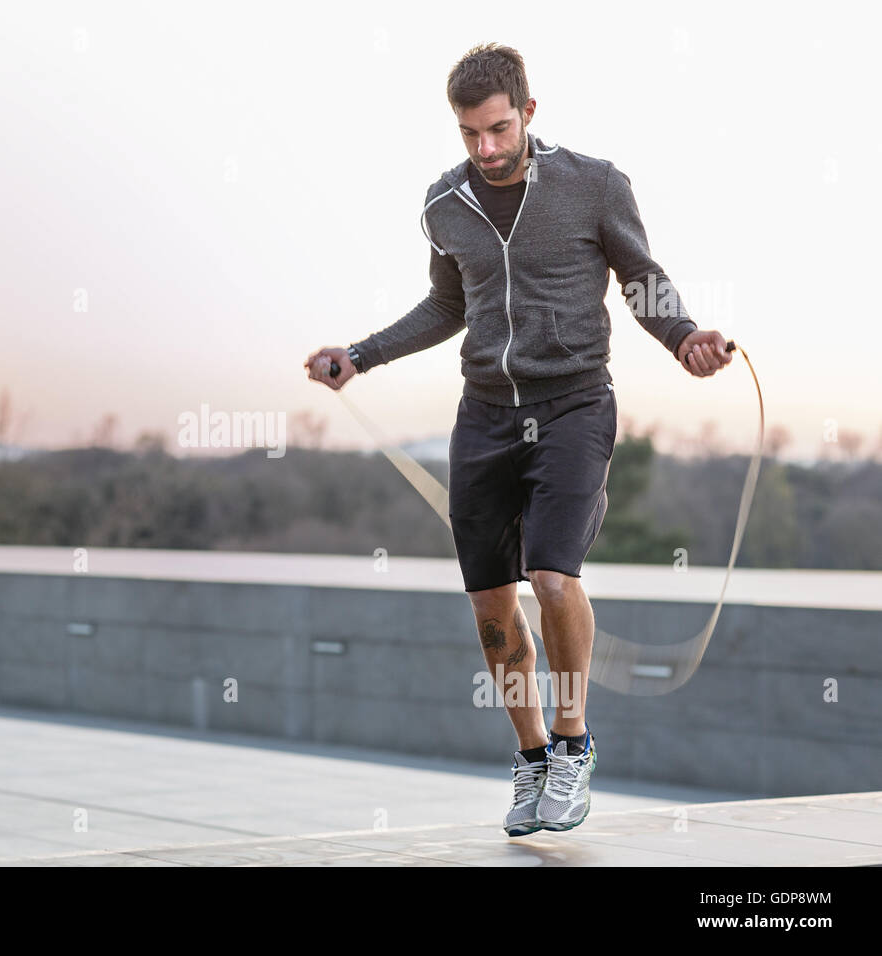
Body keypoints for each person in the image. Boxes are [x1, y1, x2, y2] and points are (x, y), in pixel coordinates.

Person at [303, 42, 732, 836]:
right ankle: (532, 758)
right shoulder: (445, 204)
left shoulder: (595, 185)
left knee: (553, 577)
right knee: (492, 608)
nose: (486, 149)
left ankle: (572, 745)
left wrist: (684, 338)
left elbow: (641, 277)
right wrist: (358, 356)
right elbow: (445, 305)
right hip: (486, 415)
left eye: (499, 129)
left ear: (529, 112)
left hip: (573, 404)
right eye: (470, 135)